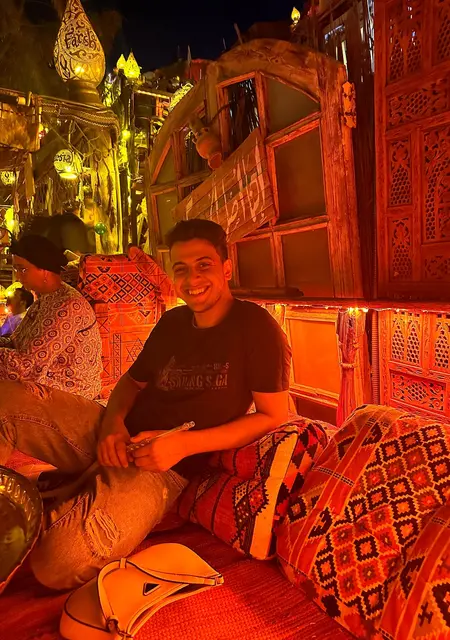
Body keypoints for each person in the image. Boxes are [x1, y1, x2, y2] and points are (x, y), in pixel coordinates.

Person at [0, 219, 291, 590]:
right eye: (181, 268)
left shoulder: (256, 328)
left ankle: (63, 500)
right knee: (5, 397)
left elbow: (272, 415)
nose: (192, 279)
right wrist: (113, 425)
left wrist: (183, 444)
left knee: (55, 564)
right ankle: (67, 492)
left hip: (163, 467)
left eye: (203, 265)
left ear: (226, 268)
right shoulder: (173, 322)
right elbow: (131, 382)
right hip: (113, 432)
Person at [0, 234, 102, 400]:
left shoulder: (67, 306)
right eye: (16, 270)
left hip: (68, 393)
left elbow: (26, 367)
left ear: (44, 270)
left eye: (22, 269)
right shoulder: (45, 298)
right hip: (43, 382)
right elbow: (15, 343)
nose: (18, 276)